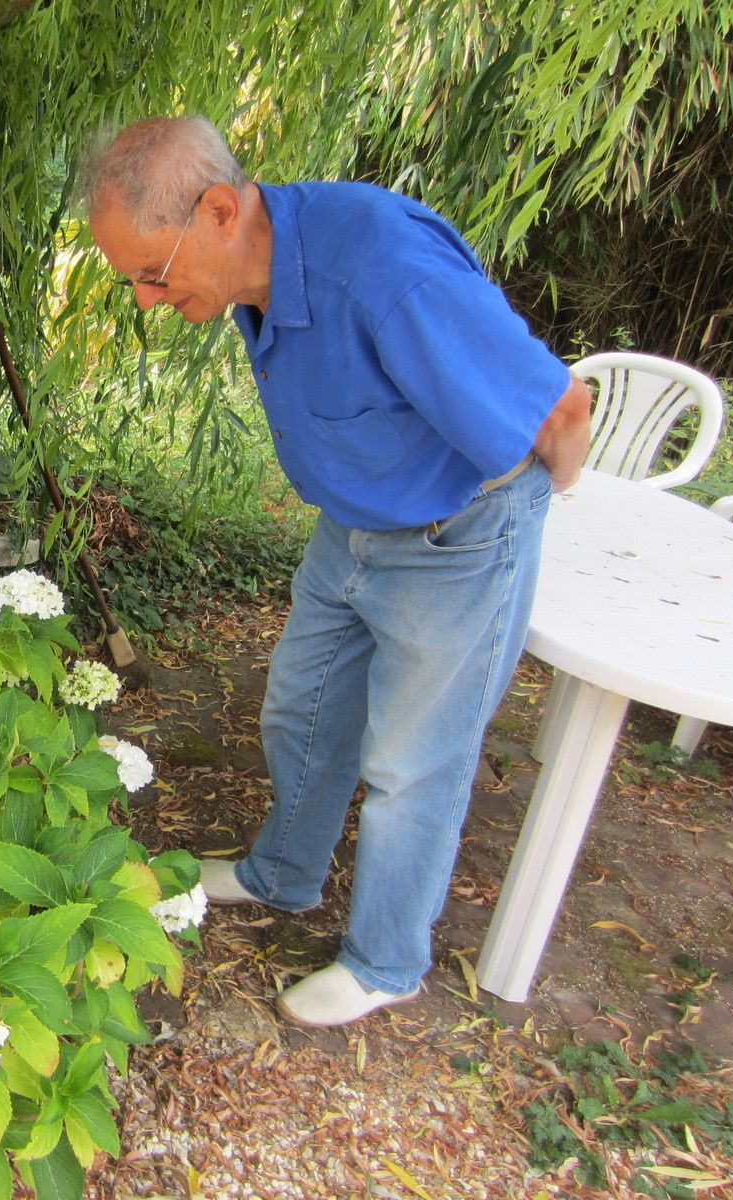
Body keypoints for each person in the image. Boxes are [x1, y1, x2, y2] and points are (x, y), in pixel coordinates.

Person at [83, 116, 591, 1026]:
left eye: (151, 276)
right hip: (350, 530)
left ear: (221, 209)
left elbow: (559, 404)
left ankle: (386, 962)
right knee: (302, 705)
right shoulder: (255, 265)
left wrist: (514, 516)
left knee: (409, 764)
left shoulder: (384, 269)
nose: (147, 302)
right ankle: (283, 875)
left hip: (455, 538)